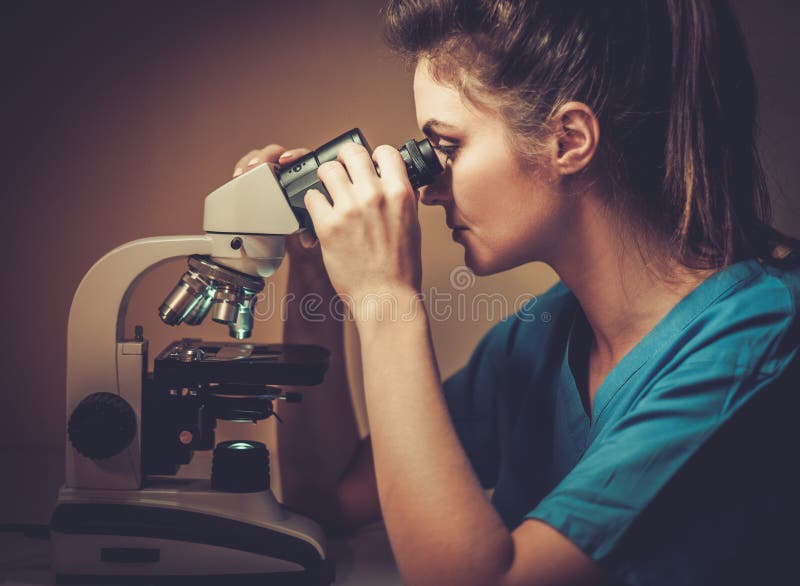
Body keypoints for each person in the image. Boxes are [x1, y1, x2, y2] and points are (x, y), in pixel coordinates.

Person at [233, 1, 800, 584]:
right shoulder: (544, 337)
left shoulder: (756, 340)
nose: (428, 190)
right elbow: (327, 497)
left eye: (447, 146)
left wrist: (386, 299)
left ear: (568, 141)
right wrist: (315, 270)